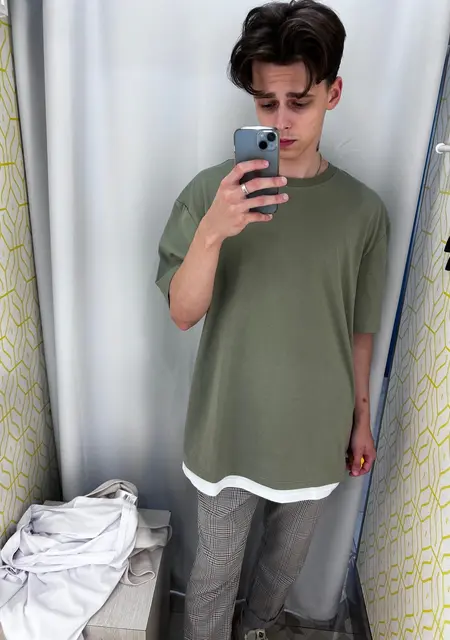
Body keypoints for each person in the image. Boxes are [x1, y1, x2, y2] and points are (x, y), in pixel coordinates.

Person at [156, 1, 389, 638]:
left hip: (316, 428)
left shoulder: (363, 211)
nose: (281, 121)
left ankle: (258, 630)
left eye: (300, 102)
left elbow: (360, 325)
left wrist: (361, 418)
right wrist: (213, 232)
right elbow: (182, 314)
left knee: (283, 565)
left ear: (333, 94)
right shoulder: (212, 194)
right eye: (266, 103)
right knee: (214, 569)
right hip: (228, 424)